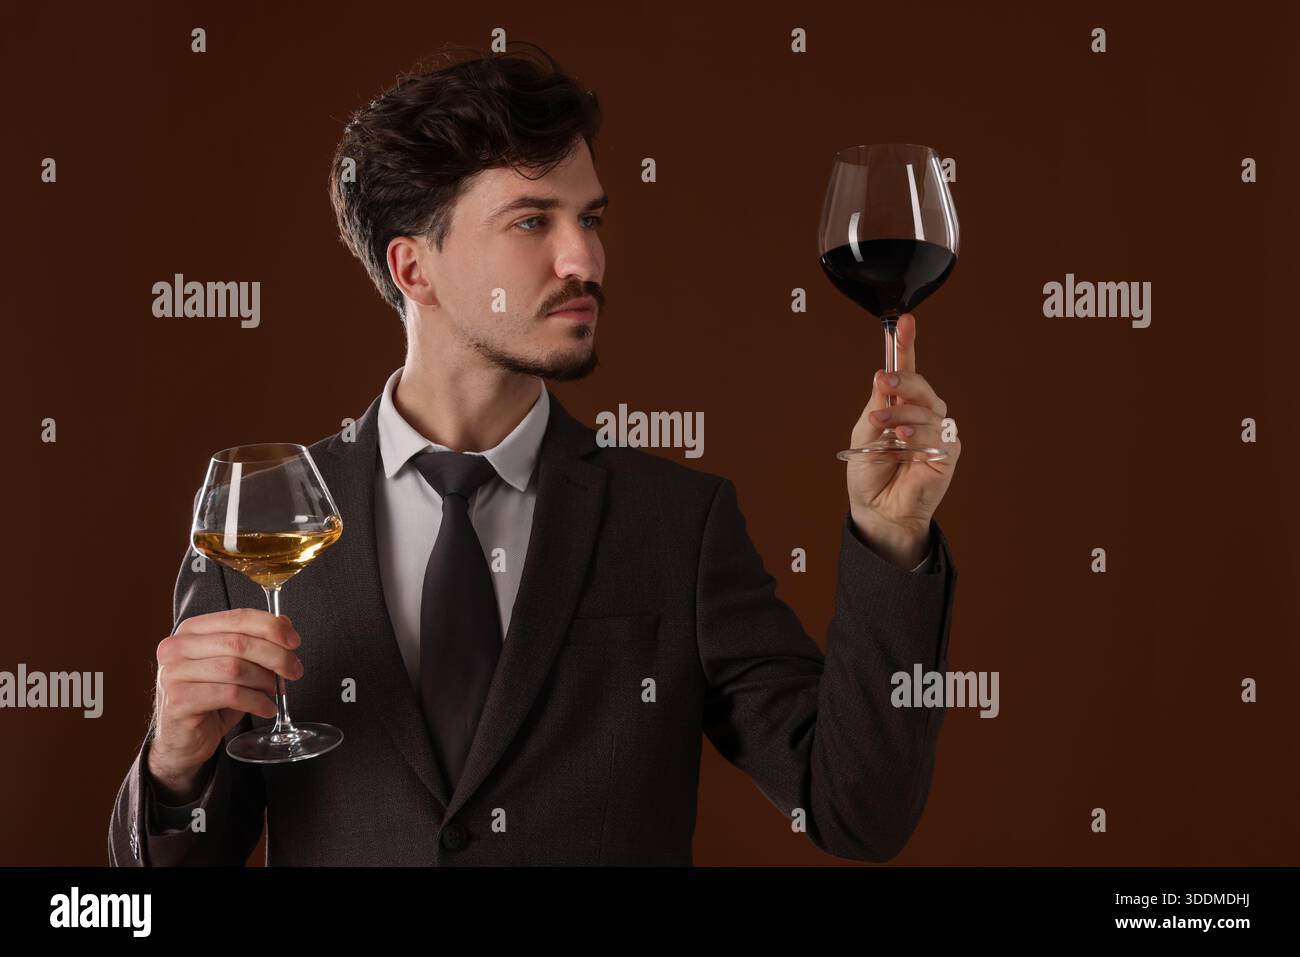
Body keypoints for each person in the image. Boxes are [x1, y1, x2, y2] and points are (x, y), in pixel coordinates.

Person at [108, 41, 961, 866]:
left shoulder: (679, 523)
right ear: (414, 268)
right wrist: (174, 763)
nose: (584, 256)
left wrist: (891, 541)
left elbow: (857, 810)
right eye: (531, 220)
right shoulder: (264, 522)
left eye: (589, 218)